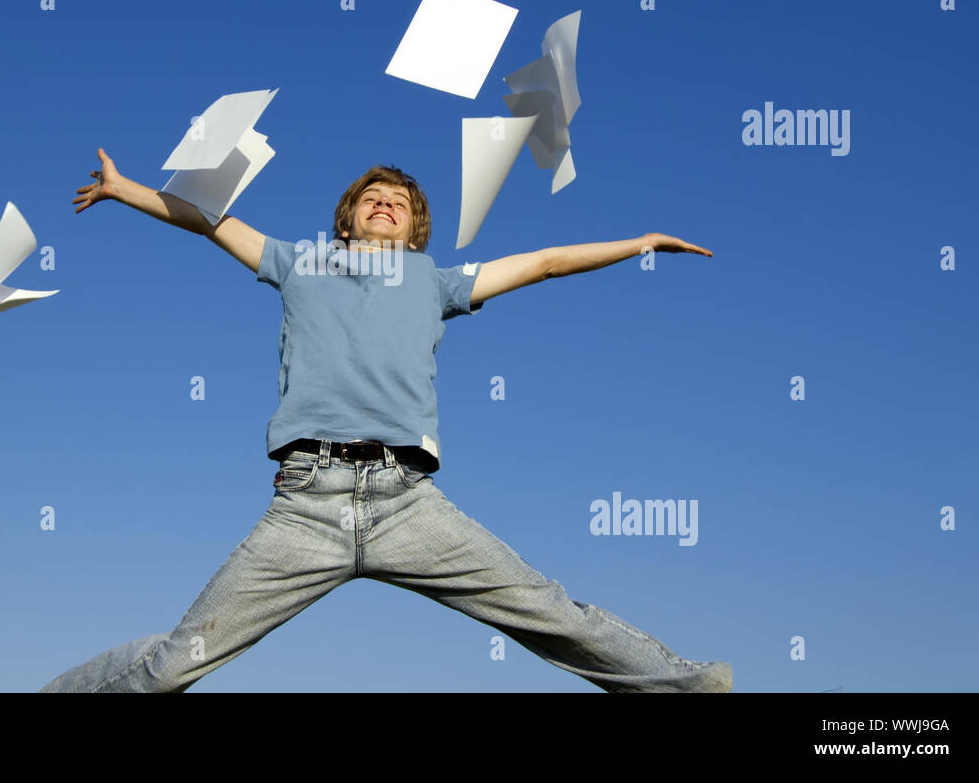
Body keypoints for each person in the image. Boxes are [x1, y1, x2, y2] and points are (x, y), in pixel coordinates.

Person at [39, 147, 732, 693]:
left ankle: (693, 689)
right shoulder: (300, 263)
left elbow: (546, 262)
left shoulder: (436, 281)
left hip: (408, 505)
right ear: (346, 220)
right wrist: (125, 189)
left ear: (414, 229)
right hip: (307, 505)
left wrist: (639, 241)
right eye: (372, 198)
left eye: (399, 203)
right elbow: (211, 220)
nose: (385, 204)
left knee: (549, 612)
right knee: (172, 666)